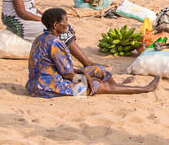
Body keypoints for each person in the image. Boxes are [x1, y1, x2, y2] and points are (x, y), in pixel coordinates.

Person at [27, 8, 158, 97]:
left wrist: (84, 72)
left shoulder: (41, 38)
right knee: (98, 85)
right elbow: (67, 73)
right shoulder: (54, 43)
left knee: (99, 70)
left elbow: (62, 68)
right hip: (47, 86)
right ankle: (145, 89)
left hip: (39, 81)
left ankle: (118, 86)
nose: (67, 24)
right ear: (55, 25)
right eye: (65, 21)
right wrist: (85, 78)